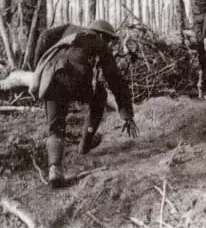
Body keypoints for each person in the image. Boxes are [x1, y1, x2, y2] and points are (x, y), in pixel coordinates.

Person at [31, 19, 137, 188]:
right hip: (74, 81)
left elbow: (44, 36)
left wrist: (36, 66)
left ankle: (54, 170)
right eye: (108, 39)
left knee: (55, 127)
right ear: (102, 35)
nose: (108, 43)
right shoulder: (100, 44)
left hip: (51, 79)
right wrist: (127, 115)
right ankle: (85, 144)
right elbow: (116, 82)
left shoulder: (69, 28)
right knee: (100, 95)